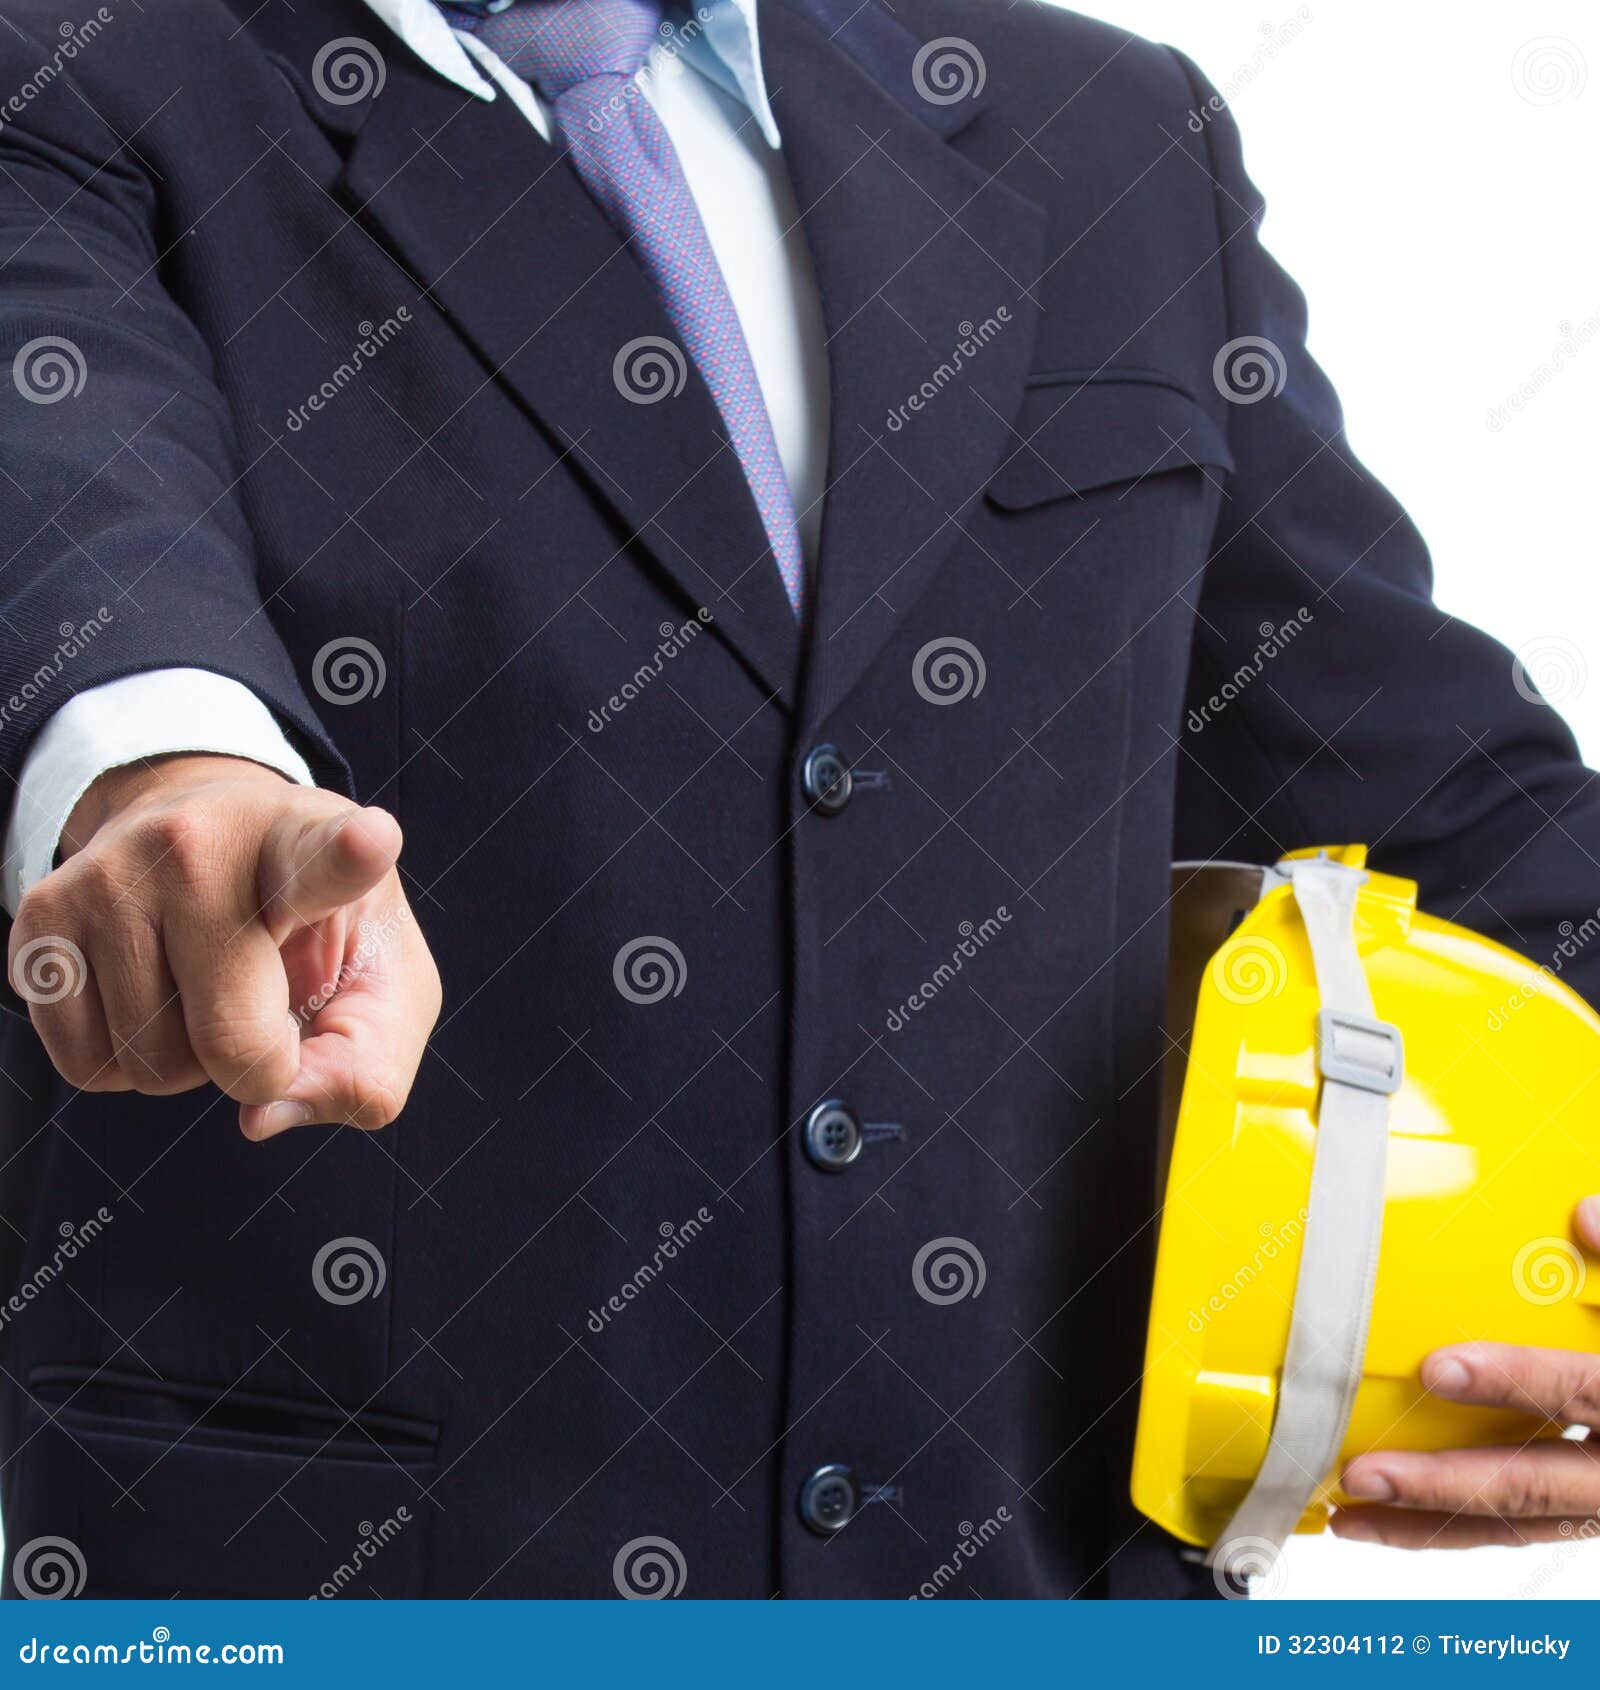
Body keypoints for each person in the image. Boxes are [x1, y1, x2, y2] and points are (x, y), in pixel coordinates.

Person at [0, 0, 1596, 1600]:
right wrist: (173, 774)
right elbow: (85, 519)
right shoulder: (73, 71)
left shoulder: (1111, 130)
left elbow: (1461, 806)